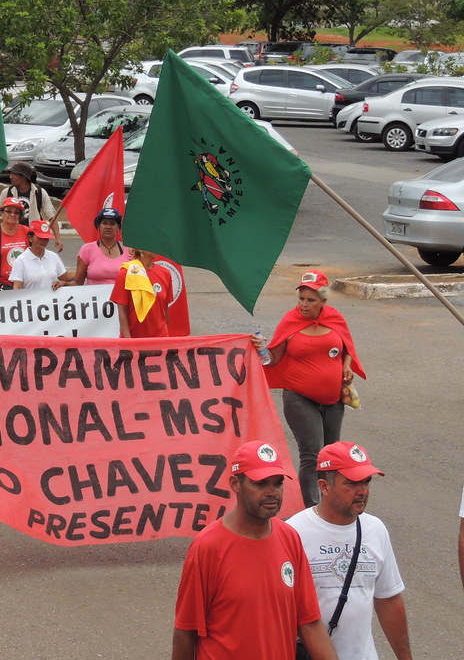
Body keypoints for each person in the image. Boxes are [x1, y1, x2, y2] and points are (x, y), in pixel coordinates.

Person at [172, 440, 338, 660]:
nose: (272, 492)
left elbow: (308, 621)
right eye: (261, 484)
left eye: (277, 483)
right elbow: (185, 631)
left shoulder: (289, 538)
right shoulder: (207, 548)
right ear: (235, 484)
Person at [287, 442, 413, 660]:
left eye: (366, 482)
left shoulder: (375, 529)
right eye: (352, 483)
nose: (362, 491)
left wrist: (405, 657)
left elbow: (388, 599)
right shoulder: (293, 533)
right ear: (324, 487)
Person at [253, 270, 366, 507]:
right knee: (312, 455)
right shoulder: (290, 321)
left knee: (331, 454)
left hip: (333, 400)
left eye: (310, 300)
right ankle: (312, 508)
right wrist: (261, 349)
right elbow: (273, 359)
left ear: (323, 301)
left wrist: (347, 366)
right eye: (301, 299)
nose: (304, 305)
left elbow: (347, 347)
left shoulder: (335, 318)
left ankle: (330, 503)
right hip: (298, 398)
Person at [54, 208, 129, 289]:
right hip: (95, 300)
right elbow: (78, 283)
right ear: (98, 227)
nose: (108, 227)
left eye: (112, 224)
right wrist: (64, 284)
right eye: (104, 223)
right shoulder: (87, 250)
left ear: (118, 228)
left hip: (122, 299)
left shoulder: (130, 251)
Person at [0, 161, 62, 251]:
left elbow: (51, 216)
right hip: (13, 236)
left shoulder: (40, 192)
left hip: (34, 237)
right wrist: (0, 238)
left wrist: (57, 238)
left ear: (23, 177)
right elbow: (0, 218)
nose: (10, 177)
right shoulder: (6, 193)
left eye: (14, 174)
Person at [110, 248, 172, 338]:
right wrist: (129, 342)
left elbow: (165, 310)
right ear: (140, 248)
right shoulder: (125, 273)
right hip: (134, 339)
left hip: (160, 339)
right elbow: (122, 311)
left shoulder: (165, 273)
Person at [0, 197, 29, 291]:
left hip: (23, 286)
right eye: (9, 211)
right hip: (0, 287)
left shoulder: (26, 231)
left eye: (17, 212)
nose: (13, 214)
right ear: (2, 212)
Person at [10, 220, 66, 290]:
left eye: (46, 238)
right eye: (39, 238)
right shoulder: (21, 260)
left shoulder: (54, 257)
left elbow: (64, 277)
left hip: (51, 300)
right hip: (31, 300)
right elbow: (17, 287)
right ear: (30, 238)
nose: (43, 241)